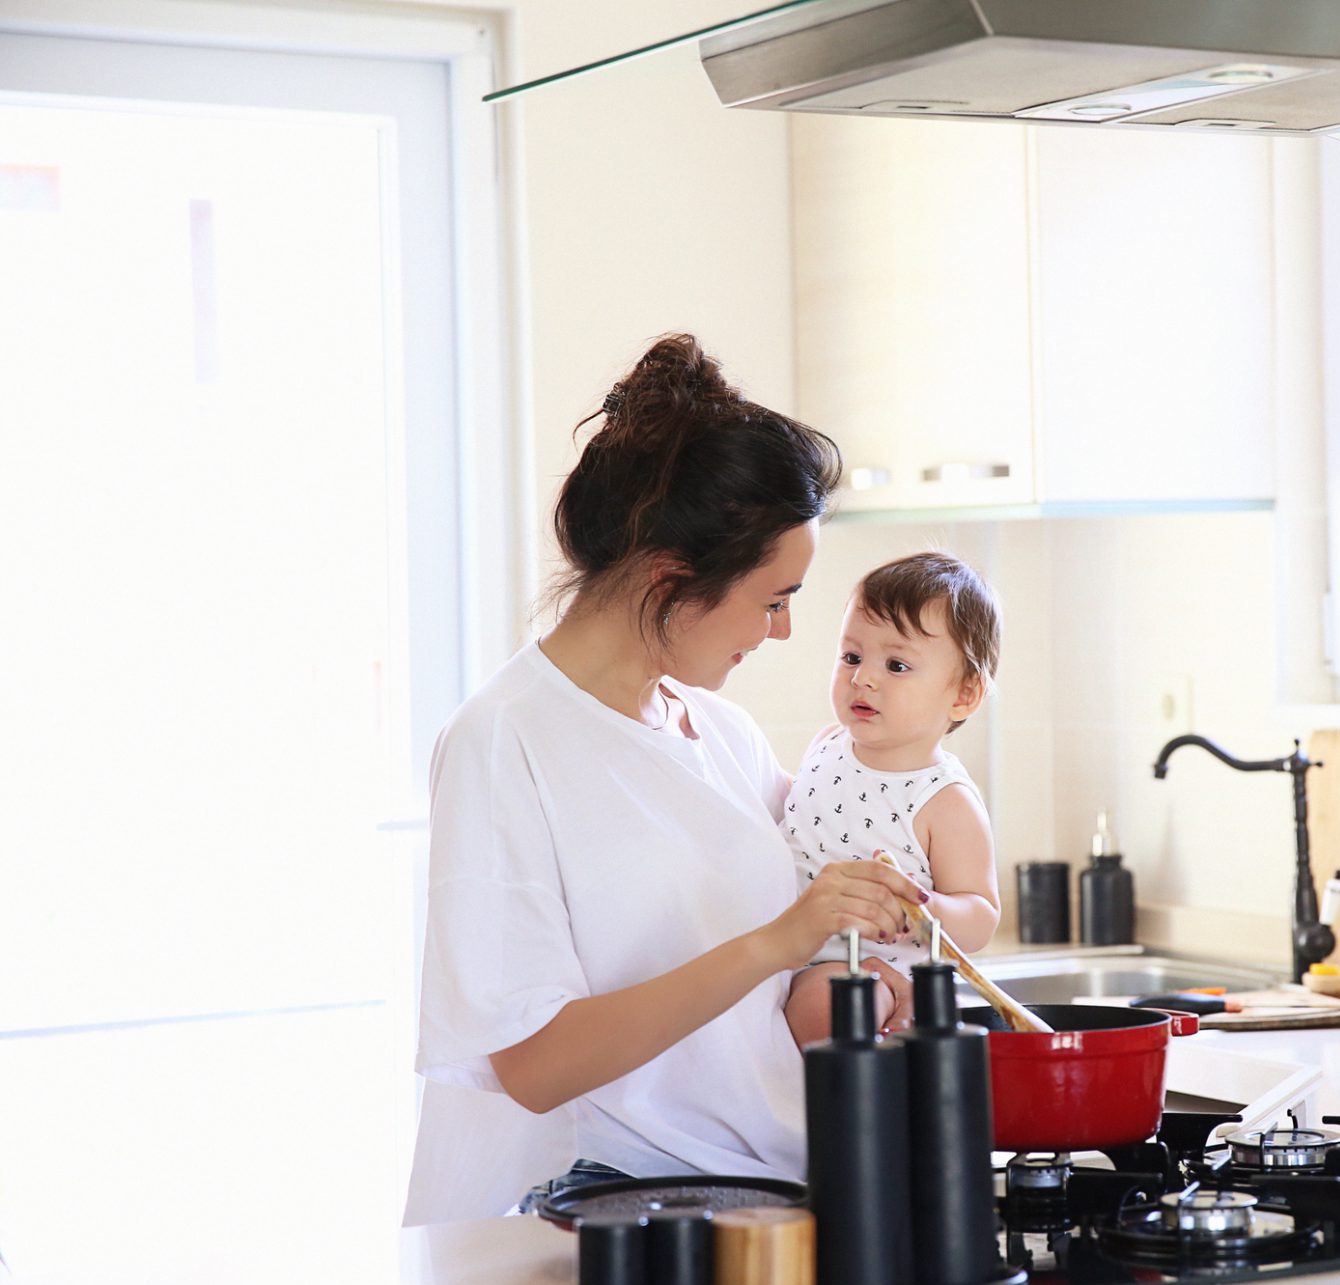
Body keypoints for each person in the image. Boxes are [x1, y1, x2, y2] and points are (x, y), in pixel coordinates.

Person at [407, 333, 930, 1222]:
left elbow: (771, 977)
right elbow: (533, 1063)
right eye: (772, 600)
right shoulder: (505, 741)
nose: (781, 633)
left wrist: (849, 975)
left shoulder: (719, 731)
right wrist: (780, 939)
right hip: (596, 1220)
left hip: (759, 1194)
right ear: (670, 579)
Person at [781, 553, 1004, 1047]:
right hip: (785, 949)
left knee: (827, 1009)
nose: (864, 678)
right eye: (852, 657)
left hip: (869, 969)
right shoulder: (826, 744)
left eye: (896, 664)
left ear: (964, 695)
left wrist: (920, 907)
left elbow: (981, 916)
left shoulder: (944, 801)